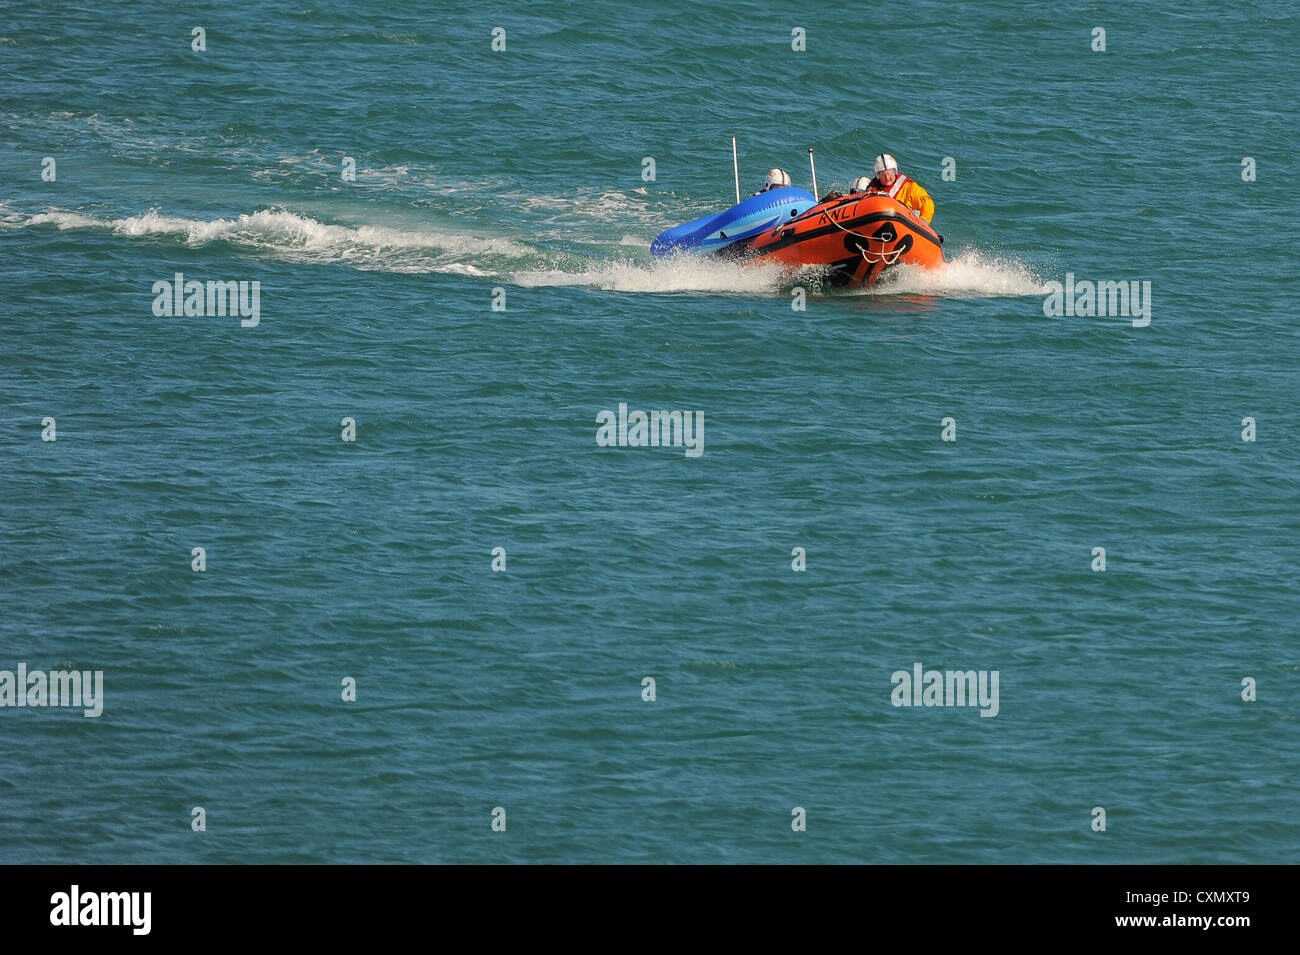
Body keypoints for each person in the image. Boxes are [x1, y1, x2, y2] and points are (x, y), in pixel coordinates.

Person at [862, 153, 934, 221]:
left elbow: (928, 205)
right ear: (878, 176)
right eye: (883, 175)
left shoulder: (909, 187)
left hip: (903, 224)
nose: (887, 178)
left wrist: (923, 223)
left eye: (889, 173)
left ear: (895, 171)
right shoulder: (871, 189)